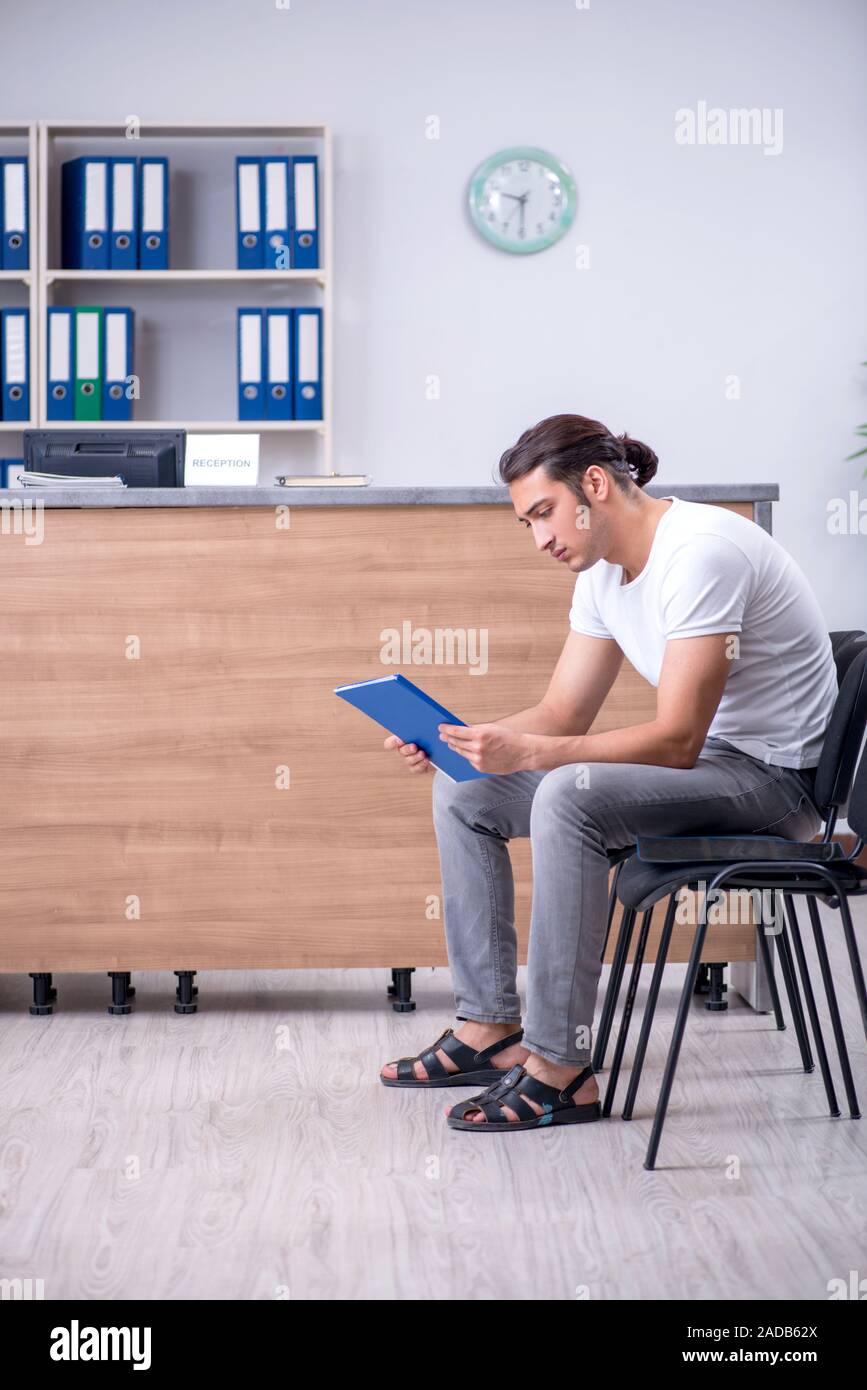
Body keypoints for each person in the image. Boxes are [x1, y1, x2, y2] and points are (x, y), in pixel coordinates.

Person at [379, 413, 835, 1134]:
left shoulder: (700, 553)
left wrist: (530, 755)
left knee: (567, 795)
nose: (540, 539)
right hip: (712, 767)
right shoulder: (602, 576)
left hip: (772, 783)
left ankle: (561, 1068)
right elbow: (562, 713)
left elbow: (679, 739)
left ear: (593, 485)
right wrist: (463, 742)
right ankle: (488, 1026)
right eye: (527, 522)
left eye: (543, 514)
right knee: (464, 789)